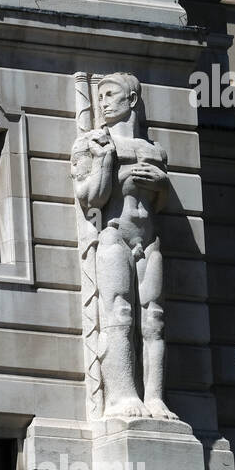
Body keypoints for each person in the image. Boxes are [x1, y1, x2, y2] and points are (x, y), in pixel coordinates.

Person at [71, 72, 176, 419]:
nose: (102, 103)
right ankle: (121, 395)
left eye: (110, 94)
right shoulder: (92, 143)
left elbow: (158, 204)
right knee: (119, 313)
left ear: (131, 100)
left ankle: (156, 397)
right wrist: (104, 161)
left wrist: (161, 183)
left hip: (149, 241)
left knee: (154, 321)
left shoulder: (154, 150)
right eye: (98, 96)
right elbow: (91, 200)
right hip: (113, 235)